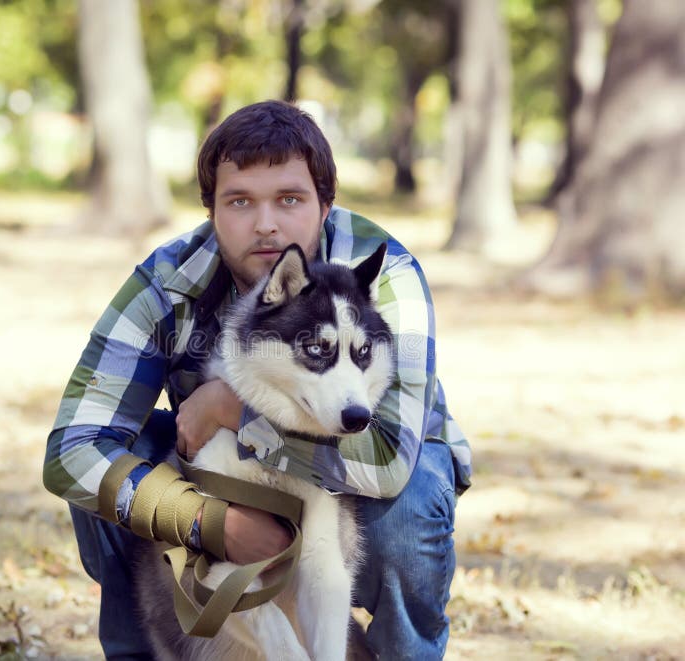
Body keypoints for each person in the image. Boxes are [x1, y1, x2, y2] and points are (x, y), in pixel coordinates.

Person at [43, 100, 471, 661]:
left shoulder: (381, 274)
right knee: (113, 469)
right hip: (227, 473)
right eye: (240, 201)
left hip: (374, 465)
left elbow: (390, 463)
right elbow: (72, 451)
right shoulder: (165, 284)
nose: (266, 223)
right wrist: (203, 521)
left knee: (410, 504)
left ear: (325, 206)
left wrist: (232, 410)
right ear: (211, 212)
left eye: (289, 199)